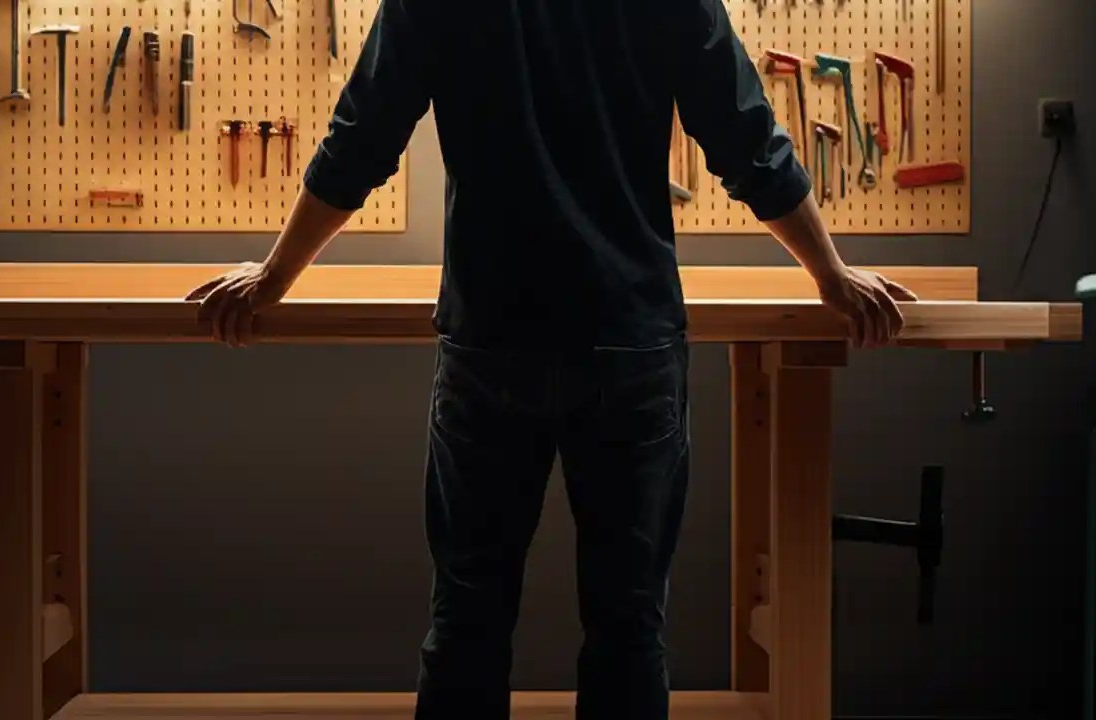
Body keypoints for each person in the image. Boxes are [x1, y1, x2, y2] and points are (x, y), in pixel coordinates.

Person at [187, 1, 916, 717]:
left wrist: (276, 276)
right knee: (629, 627)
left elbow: (362, 141)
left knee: (468, 620)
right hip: (629, 339)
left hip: (493, 339)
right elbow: (747, 141)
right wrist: (830, 274)